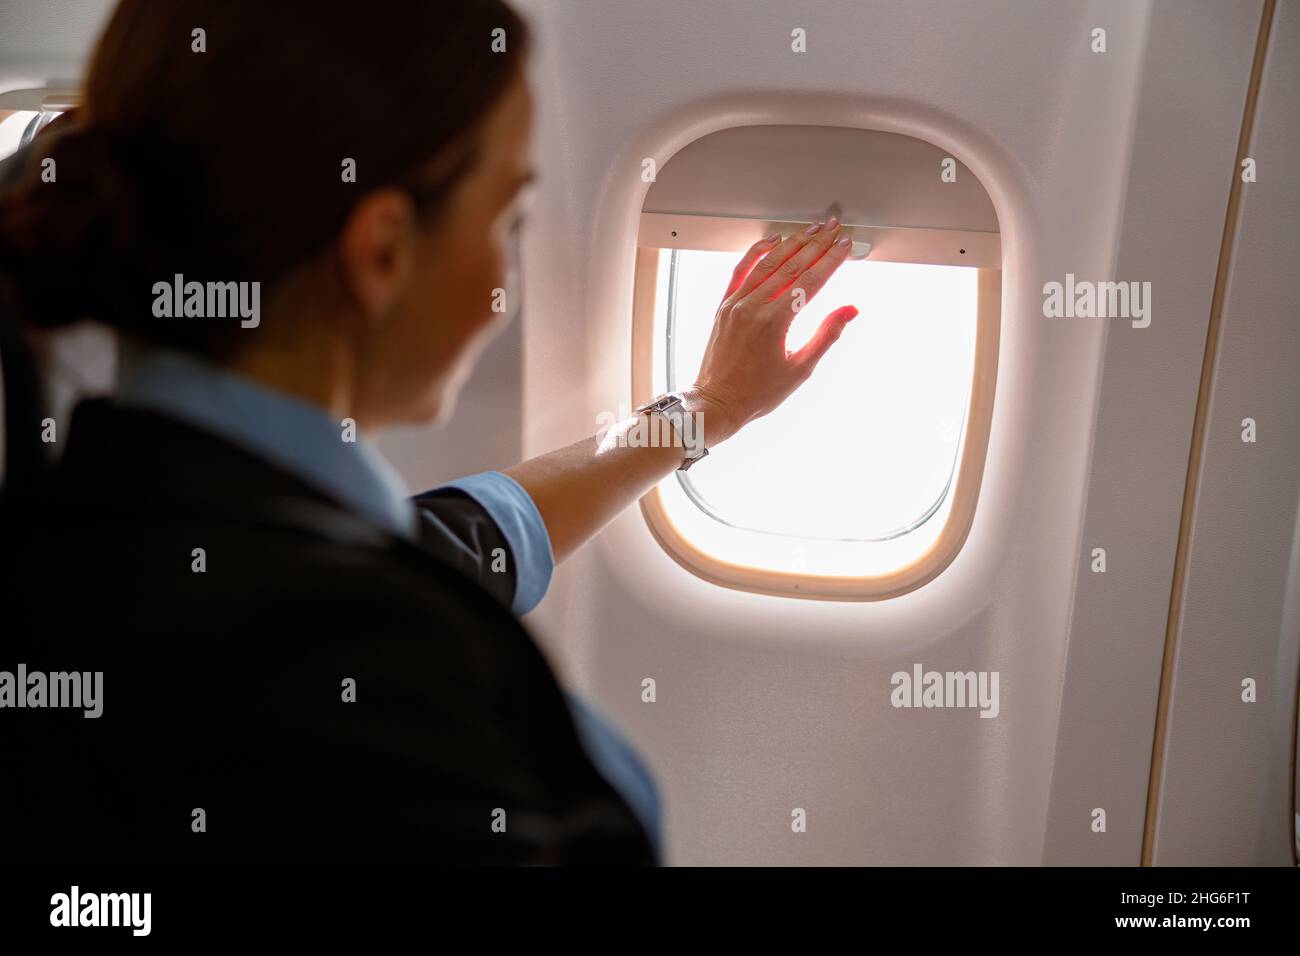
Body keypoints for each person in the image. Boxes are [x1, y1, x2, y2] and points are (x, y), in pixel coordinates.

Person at [0, 0, 858, 865]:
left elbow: (461, 536)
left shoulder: (115, 513)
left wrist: (704, 410)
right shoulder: (379, 682)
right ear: (383, 251)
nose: (508, 272)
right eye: (507, 221)